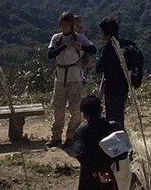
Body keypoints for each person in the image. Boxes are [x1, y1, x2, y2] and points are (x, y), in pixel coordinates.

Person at [48, 11, 97, 147]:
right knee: (58, 109)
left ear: (71, 25)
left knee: (75, 109)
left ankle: (71, 136)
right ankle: (56, 137)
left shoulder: (79, 38)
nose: (64, 27)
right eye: (62, 24)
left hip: (75, 77)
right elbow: (50, 54)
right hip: (60, 77)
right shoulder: (56, 38)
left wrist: (80, 46)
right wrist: (65, 46)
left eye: (67, 24)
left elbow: (93, 49)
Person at [70, 94, 118, 189]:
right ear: (101, 110)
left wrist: (95, 171)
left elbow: (80, 154)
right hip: (115, 176)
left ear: (84, 114)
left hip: (91, 179)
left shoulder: (82, 132)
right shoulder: (115, 127)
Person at [94, 17, 130, 130]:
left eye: (101, 31)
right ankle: (120, 134)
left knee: (113, 118)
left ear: (106, 32)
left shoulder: (109, 49)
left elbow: (99, 68)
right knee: (119, 116)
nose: (99, 33)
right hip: (124, 85)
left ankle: (117, 138)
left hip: (112, 87)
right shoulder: (124, 44)